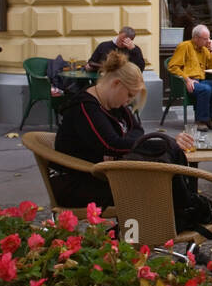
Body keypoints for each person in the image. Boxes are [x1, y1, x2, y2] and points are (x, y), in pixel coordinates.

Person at [54, 52, 195, 206]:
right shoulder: (85, 107)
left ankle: (179, 215)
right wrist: (164, 143)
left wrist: (118, 148)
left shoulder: (112, 103)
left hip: (104, 175)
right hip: (77, 183)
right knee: (155, 185)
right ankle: (172, 219)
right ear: (116, 83)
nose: (127, 102)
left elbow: (137, 130)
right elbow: (111, 144)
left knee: (160, 177)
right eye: (128, 95)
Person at [167, 24, 212, 132]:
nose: (208, 41)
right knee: (206, 89)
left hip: (201, 81)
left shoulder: (205, 50)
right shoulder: (184, 46)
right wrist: (186, 79)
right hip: (188, 82)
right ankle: (200, 121)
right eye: (205, 39)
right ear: (196, 38)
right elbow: (172, 67)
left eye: (209, 38)